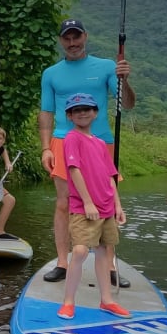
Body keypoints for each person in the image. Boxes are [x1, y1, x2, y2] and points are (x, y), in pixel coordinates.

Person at [39, 18, 136, 287]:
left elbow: (126, 105)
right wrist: (46, 147)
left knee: (106, 202)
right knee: (63, 203)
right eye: (67, 38)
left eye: (76, 37)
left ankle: (111, 264)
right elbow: (46, 112)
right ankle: (62, 261)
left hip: (101, 141)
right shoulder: (50, 73)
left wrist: (124, 81)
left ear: (85, 36)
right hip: (62, 140)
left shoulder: (107, 67)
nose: (72, 43)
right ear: (61, 40)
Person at [58, 93, 130, 320]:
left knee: (103, 251)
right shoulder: (72, 138)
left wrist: (118, 206)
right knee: (79, 250)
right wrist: (88, 201)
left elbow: (111, 176)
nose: (82, 113)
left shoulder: (100, 143)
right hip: (84, 207)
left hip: (107, 207)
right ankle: (68, 302)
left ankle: (107, 301)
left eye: (86, 108)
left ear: (95, 112)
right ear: (69, 116)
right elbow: (73, 169)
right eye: (76, 110)